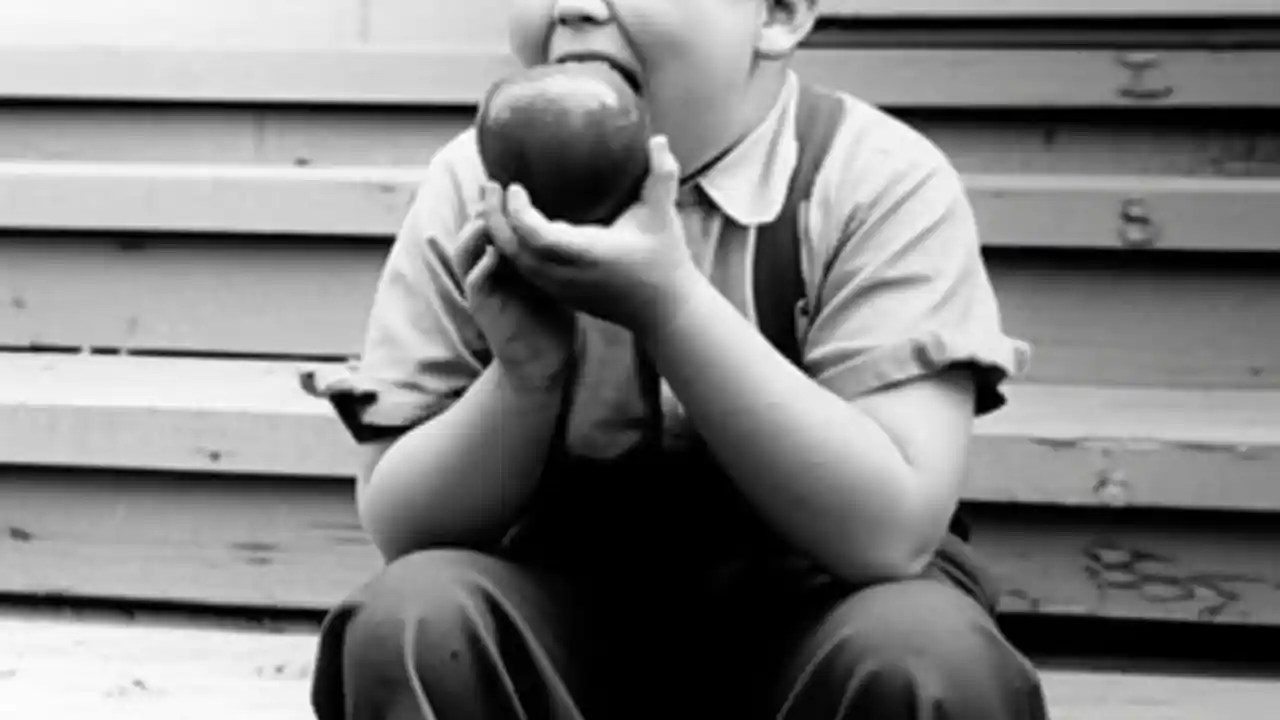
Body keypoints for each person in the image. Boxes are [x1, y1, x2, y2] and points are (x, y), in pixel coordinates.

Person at [304, 0, 1049, 718]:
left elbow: (892, 534)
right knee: (414, 619)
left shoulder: (873, 180)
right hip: (562, 625)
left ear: (778, 13)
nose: (574, 8)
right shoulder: (478, 186)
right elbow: (404, 525)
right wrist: (525, 377)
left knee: (928, 653)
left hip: (820, 623)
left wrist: (672, 307)